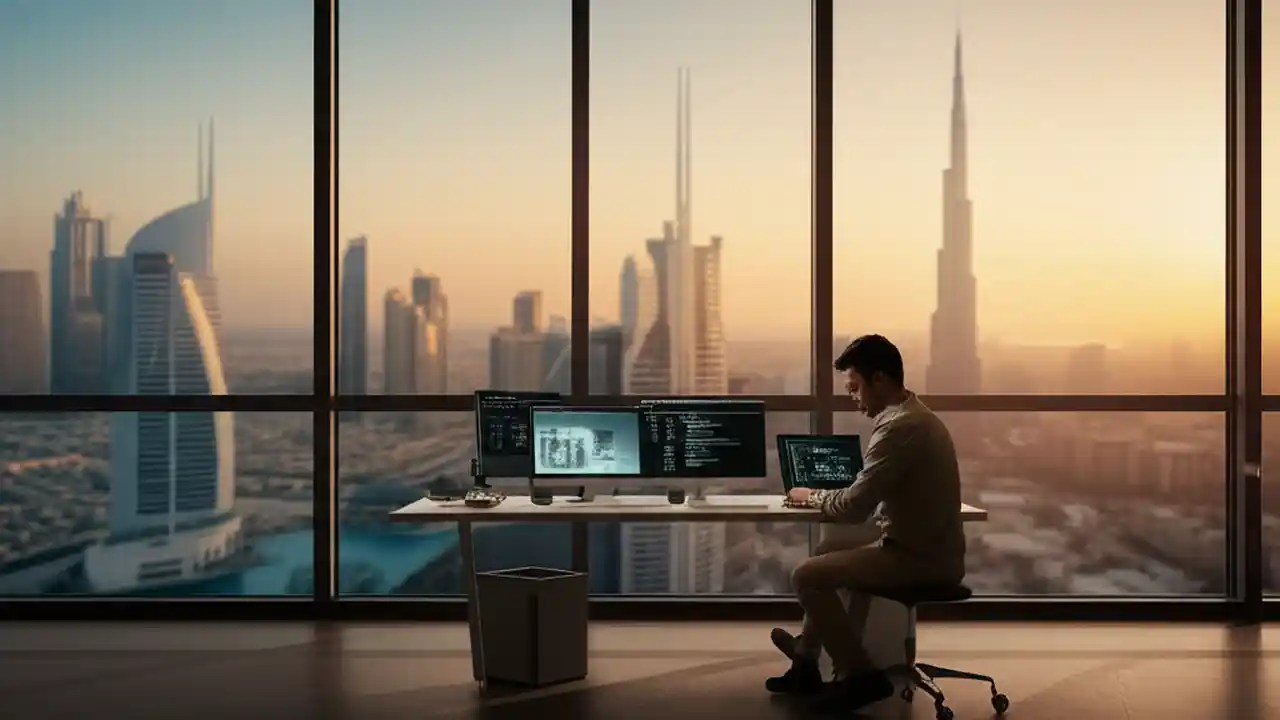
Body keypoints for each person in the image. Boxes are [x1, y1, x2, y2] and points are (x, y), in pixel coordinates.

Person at [765, 334, 967, 714]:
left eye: (855, 388)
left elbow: (855, 508)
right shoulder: (914, 415)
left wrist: (811, 496)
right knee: (828, 551)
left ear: (879, 379)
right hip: (927, 549)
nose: (853, 399)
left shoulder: (900, 428)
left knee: (806, 576)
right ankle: (806, 662)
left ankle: (860, 676)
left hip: (920, 561)